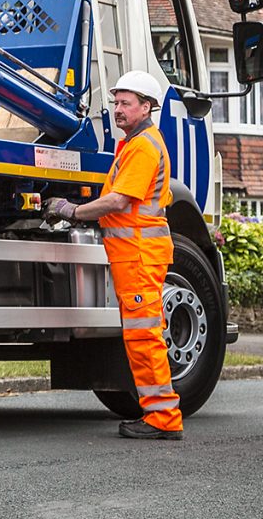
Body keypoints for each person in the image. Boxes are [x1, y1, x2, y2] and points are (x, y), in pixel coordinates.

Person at [43, 70, 183, 440]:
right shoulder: (135, 144)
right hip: (136, 254)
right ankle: (159, 414)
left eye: (126, 103)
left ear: (147, 107)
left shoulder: (143, 146)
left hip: (138, 255)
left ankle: (163, 418)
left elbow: (119, 201)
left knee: (144, 335)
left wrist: (71, 210)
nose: (118, 109)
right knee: (143, 333)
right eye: (116, 102)